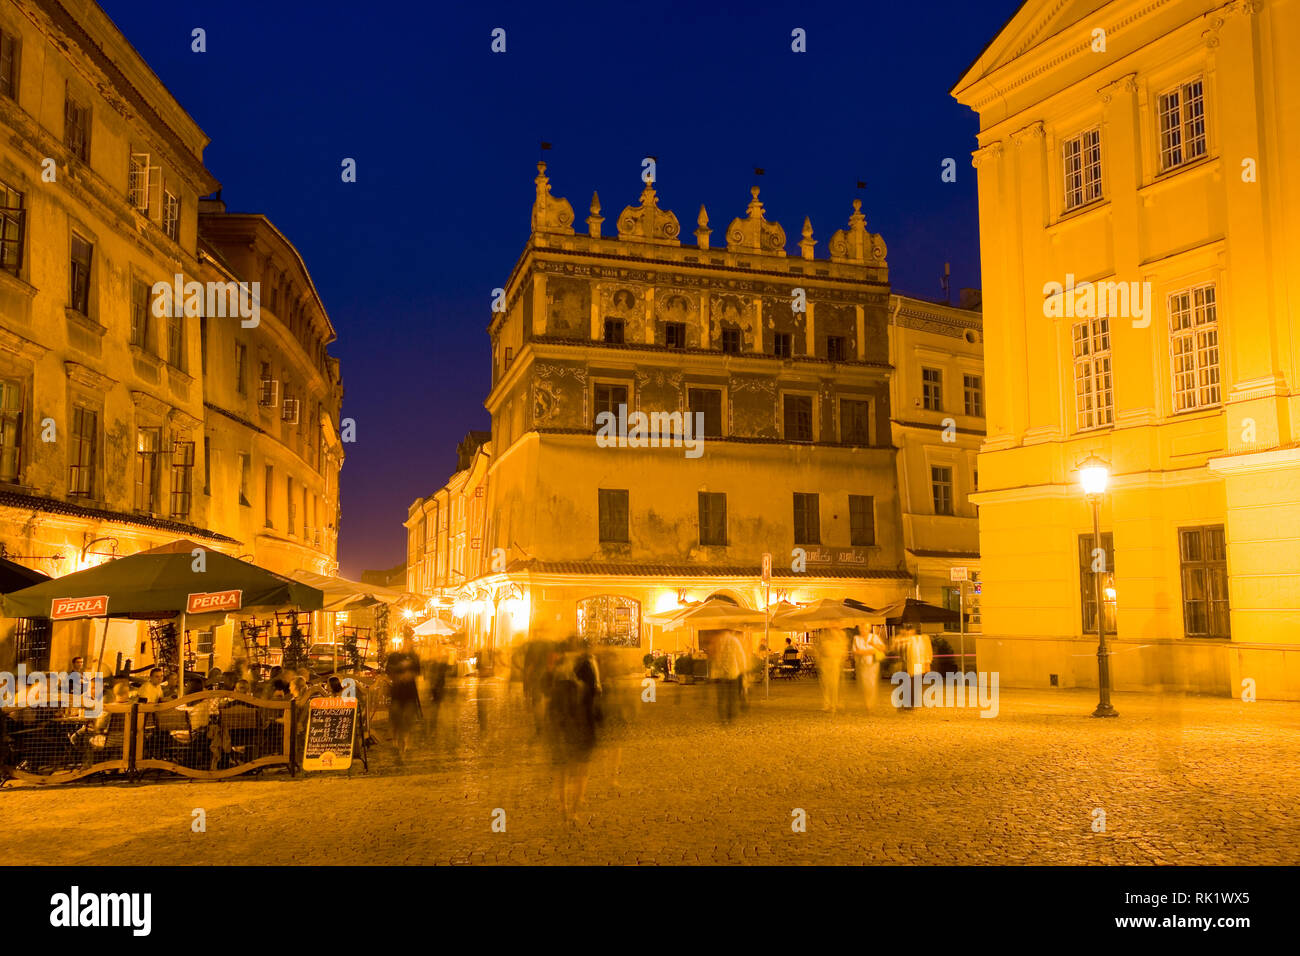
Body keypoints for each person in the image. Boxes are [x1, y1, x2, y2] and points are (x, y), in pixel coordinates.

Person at [714, 630, 748, 724]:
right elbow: (741, 656)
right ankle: (730, 717)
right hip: (733, 672)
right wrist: (743, 669)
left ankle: (723, 718)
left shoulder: (719, 641)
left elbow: (716, 658)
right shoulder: (734, 641)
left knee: (722, 697)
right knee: (731, 696)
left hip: (721, 674)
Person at [851, 626, 888, 712]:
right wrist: (868, 651)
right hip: (861, 663)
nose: (863, 630)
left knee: (871, 682)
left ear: (868, 629)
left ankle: (870, 703)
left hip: (873, 663)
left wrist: (873, 645)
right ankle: (867, 702)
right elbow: (855, 651)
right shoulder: (856, 638)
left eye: (865, 628)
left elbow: (883, 648)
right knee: (864, 683)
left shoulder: (874, 637)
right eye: (862, 628)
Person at [817, 628, 848, 714]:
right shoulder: (823, 635)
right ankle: (827, 704)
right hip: (825, 661)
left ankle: (834, 704)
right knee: (826, 684)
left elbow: (843, 648)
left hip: (835, 661)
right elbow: (820, 648)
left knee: (834, 684)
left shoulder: (840, 634)